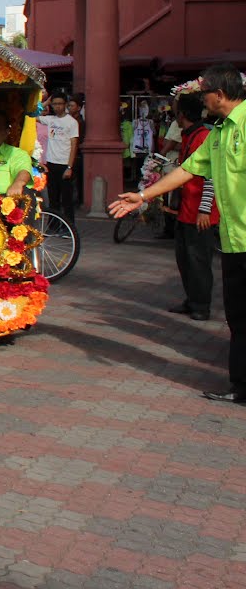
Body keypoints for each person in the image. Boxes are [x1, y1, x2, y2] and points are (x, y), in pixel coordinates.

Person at [111, 64, 245, 404]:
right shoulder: (217, 132)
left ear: (219, 94)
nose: (201, 100)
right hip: (233, 241)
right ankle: (241, 386)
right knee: (238, 317)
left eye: (204, 94)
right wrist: (142, 197)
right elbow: (187, 170)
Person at [167, 92, 219, 322]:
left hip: (201, 211)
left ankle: (201, 305)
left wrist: (205, 209)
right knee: (185, 258)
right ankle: (192, 299)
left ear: (183, 115)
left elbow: (211, 176)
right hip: (187, 208)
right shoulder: (191, 135)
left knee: (198, 260)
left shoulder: (204, 136)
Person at [37, 92, 79, 227]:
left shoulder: (71, 122)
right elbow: (31, 114)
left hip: (64, 164)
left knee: (67, 200)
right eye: (54, 104)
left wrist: (69, 167)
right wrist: (46, 102)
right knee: (53, 199)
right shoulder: (50, 120)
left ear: (65, 104)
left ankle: (69, 228)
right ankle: (53, 226)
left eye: (60, 104)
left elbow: (74, 145)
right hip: (51, 163)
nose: (57, 107)